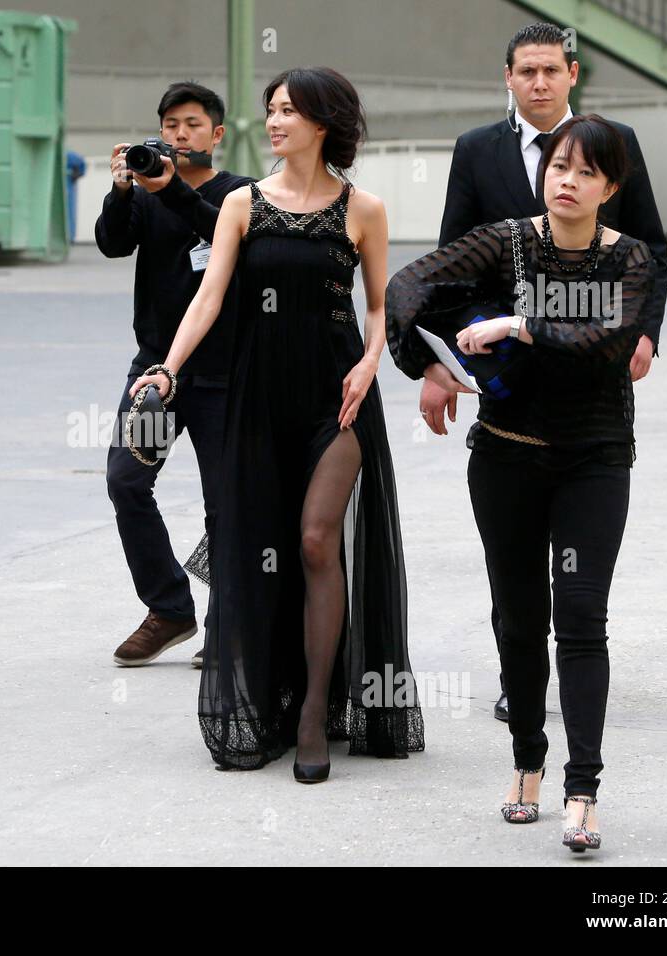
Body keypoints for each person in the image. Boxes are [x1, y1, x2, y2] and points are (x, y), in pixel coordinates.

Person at [131, 67, 424, 782]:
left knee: (318, 541)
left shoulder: (365, 209)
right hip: (256, 398)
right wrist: (167, 368)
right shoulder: (239, 203)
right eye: (271, 109)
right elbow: (208, 297)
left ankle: (315, 711)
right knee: (260, 548)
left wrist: (371, 360)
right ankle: (266, 695)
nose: (274, 120)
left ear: (323, 122)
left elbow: (382, 306)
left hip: (338, 399)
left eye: (289, 109)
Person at [386, 115, 657, 852]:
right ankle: (527, 763)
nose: (566, 180)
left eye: (585, 172)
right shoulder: (505, 240)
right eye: (558, 167)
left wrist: (518, 325)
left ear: (611, 186)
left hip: (595, 458)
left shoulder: (631, 259)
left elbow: (607, 343)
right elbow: (405, 285)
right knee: (517, 614)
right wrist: (427, 365)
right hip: (505, 455)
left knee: (580, 616)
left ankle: (582, 789)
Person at [432, 20, 667, 722]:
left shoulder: (612, 145)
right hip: (507, 378)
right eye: (525, 71)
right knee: (513, 549)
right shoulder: (478, 151)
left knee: (581, 544)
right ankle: (520, 675)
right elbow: (450, 262)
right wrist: (439, 363)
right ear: (507, 78)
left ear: (572, 75)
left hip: (591, 371)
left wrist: (646, 332)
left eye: (551, 70)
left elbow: (651, 246)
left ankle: (577, 659)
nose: (538, 82)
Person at [96, 81, 253, 668]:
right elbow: (112, 245)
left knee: (226, 500)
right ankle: (169, 608)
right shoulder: (142, 194)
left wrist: (170, 191)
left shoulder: (240, 194)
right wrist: (120, 191)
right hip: (155, 372)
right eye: (169, 126)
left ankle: (228, 624)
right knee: (126, 481)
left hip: (223, 373)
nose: (179, 135)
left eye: (191, 125)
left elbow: (223, 235)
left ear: (216, 134)